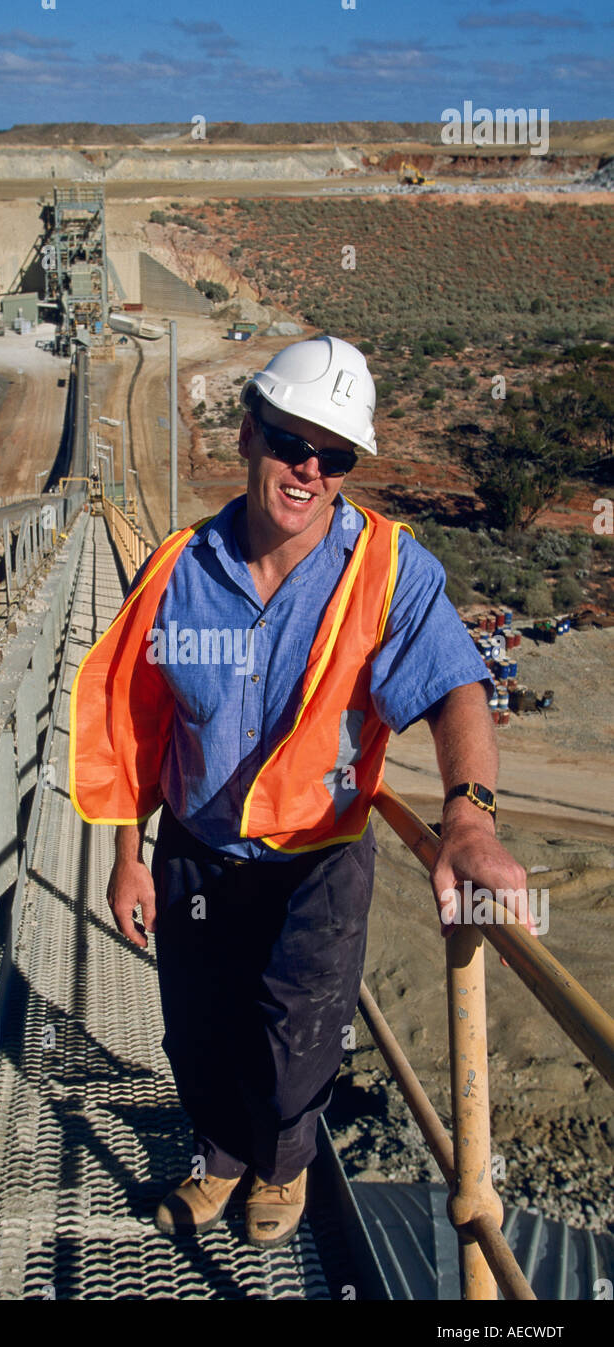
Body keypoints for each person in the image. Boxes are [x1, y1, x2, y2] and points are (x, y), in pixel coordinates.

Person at [69, 336, 530, 1251]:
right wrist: (127, 858)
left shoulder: (386, 571)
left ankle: (282, 1165)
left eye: (335, 456)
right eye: (290, 443)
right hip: (195, 851)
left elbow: (455, 688)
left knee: (299, 1037)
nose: (309, 471)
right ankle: (219, 1161)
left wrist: (467, 819)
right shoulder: (176, 573)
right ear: (248, 434)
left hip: (318, 858)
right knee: (197, 1027)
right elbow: (134, 724)